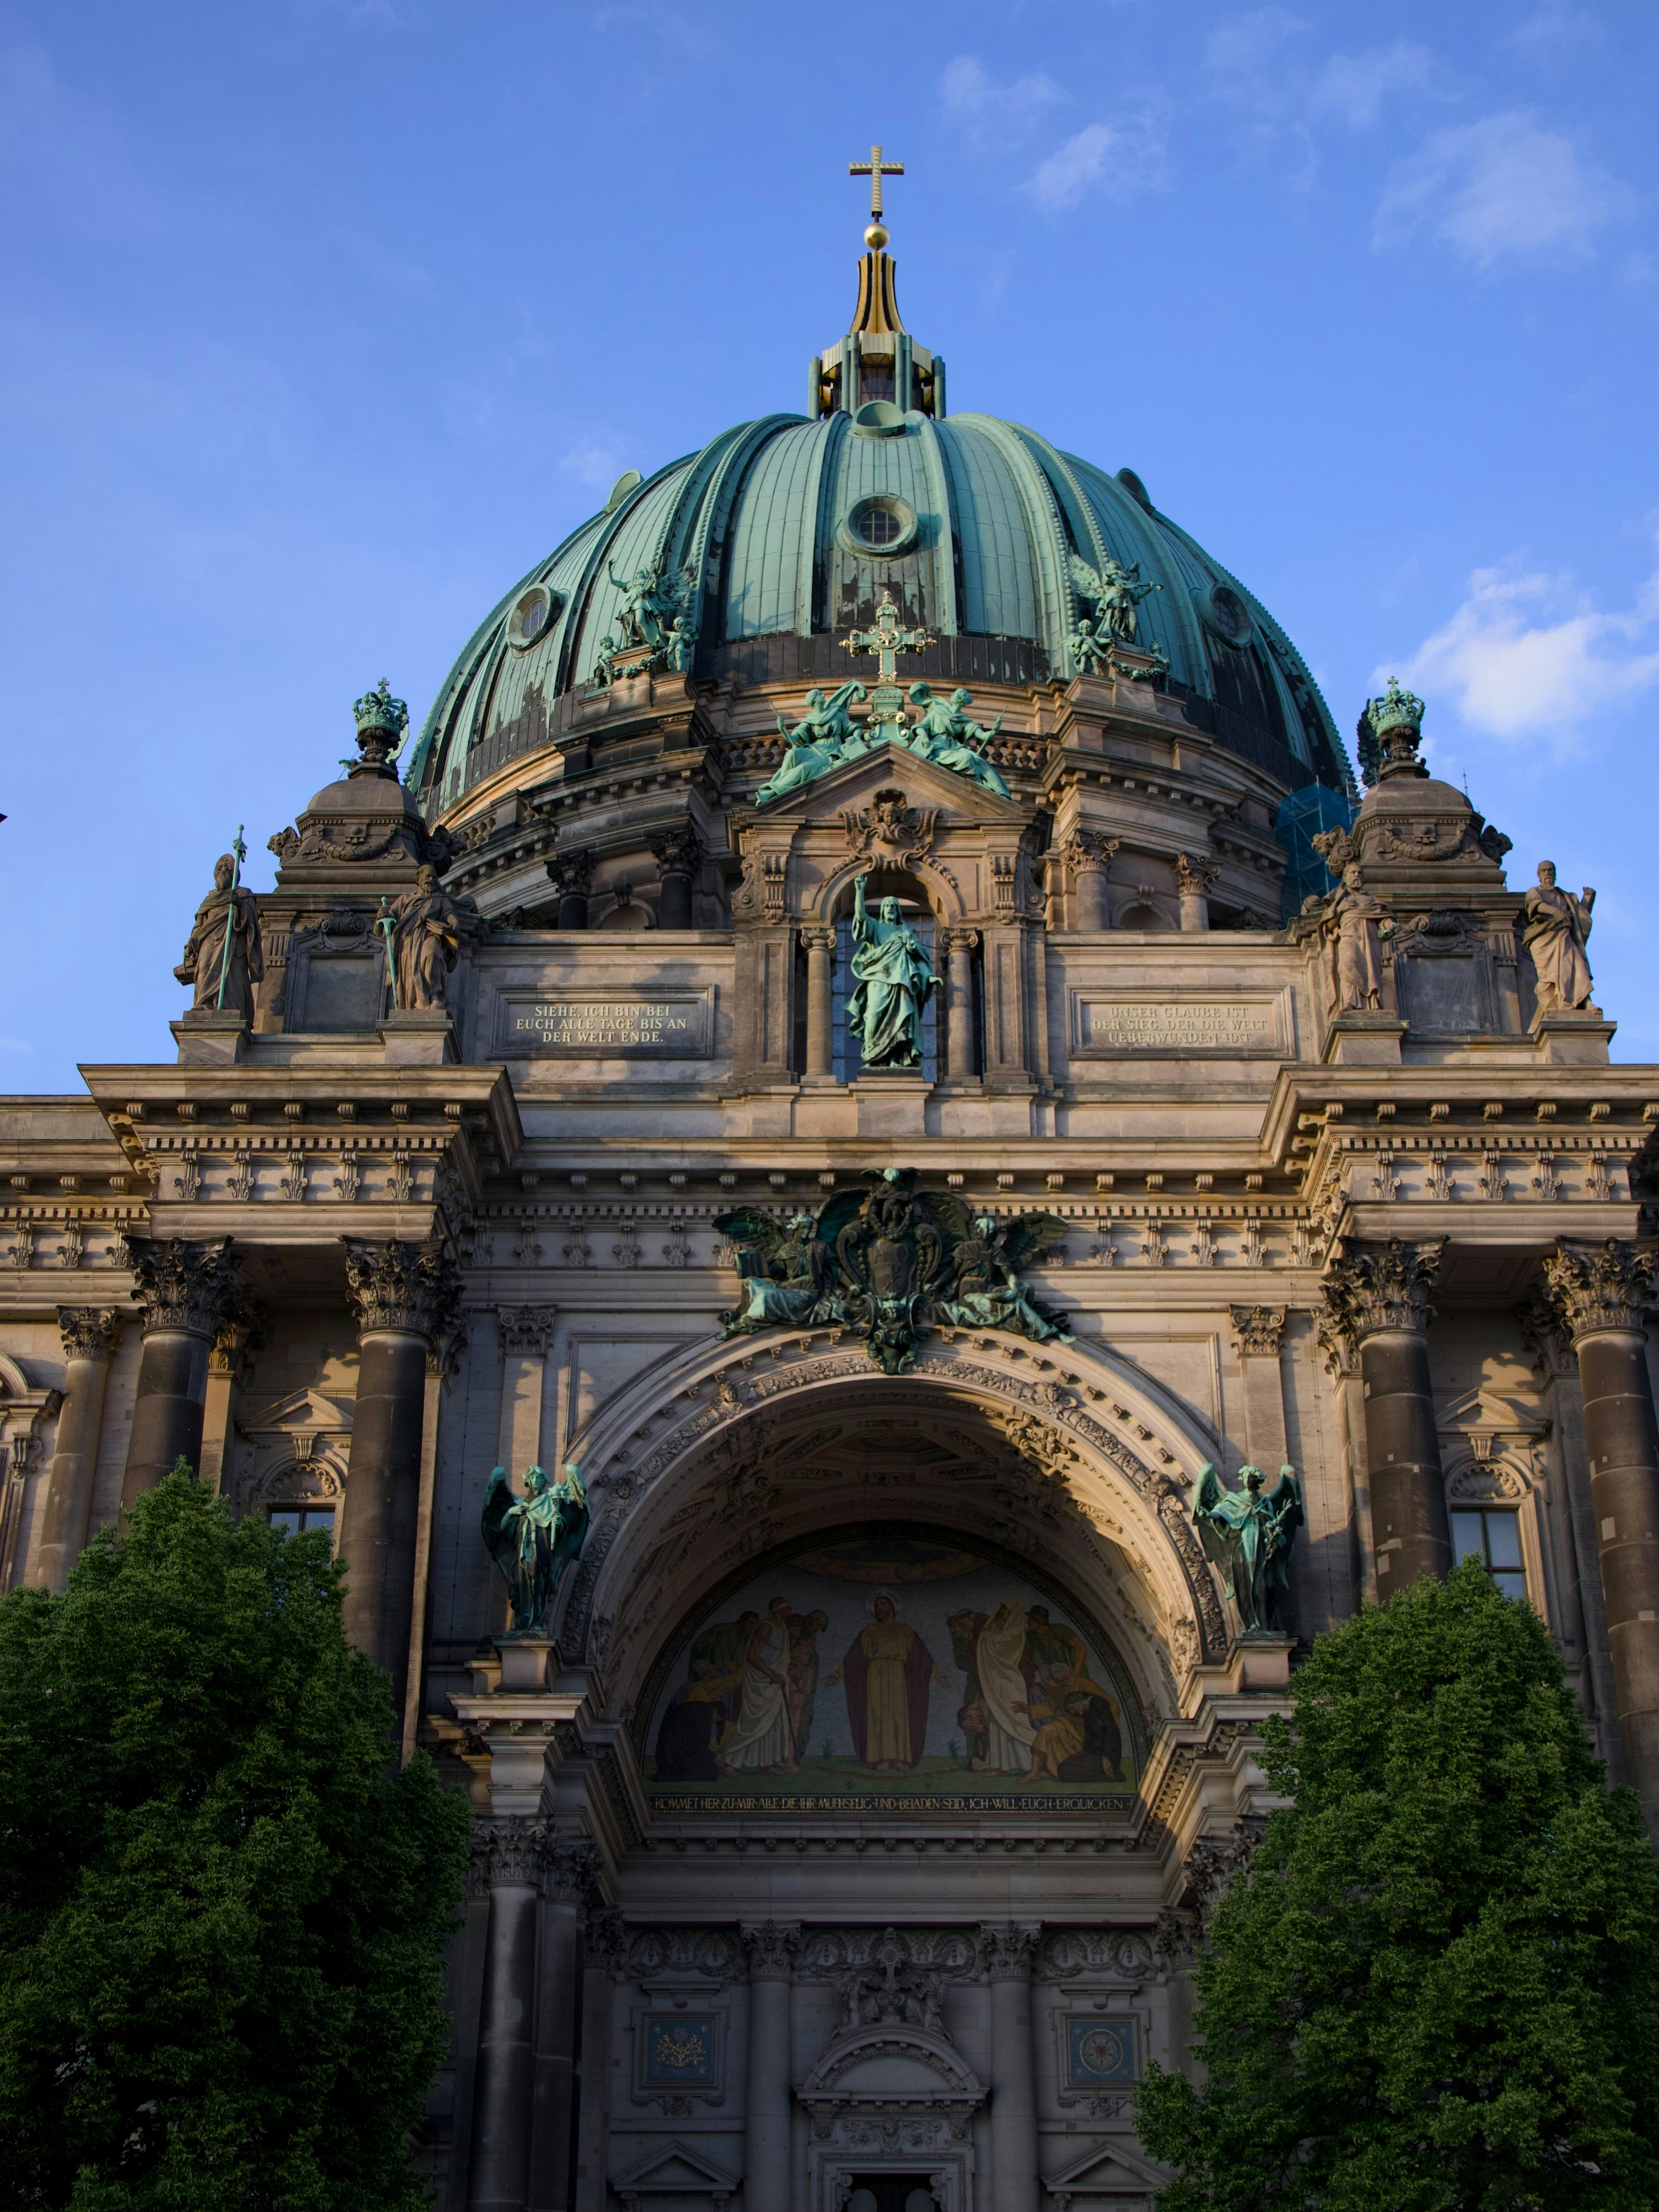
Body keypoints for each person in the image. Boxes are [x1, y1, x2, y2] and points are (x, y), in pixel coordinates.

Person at [824, 1593, 949, 1770]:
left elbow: (921, 1655)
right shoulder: (870, 1630)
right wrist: (838, 1674)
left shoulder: (905, 1630)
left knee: (899, 1714)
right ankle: (880, 1758)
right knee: (877, 1715)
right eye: (876, 1605)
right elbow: (854, 1657)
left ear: (891, 1607)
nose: (879, 1608)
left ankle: (900, 1758)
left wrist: (937, 1674)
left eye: (883, 1604)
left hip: (898, 1673)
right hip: (875, 1674)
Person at [847, 874, 939, 1069]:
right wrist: (860, 891)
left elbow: (920, 960)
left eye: (893, 906)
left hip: (902, 983)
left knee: (902, 1019)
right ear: (882, 911)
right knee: (872, 1015)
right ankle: (872, 1057)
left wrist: (929, 977)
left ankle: (898, 1059)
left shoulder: (906, 933)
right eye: (887, 906)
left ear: (898, 911)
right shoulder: (876, 927)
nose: (890, 909)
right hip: (878, 980)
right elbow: (861, 919)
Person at [176, 854, 264, 1023]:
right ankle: (205, 1006)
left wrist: (239, 904)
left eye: (227, 869)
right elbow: (199, 927)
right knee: (205, 973)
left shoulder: (244, 895)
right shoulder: (209, 900)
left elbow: (252, 923)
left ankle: (227, 1008)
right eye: (220, 870)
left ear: (233, 875)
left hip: (232, 944)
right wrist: (191, 946)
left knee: (232, 979)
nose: (223, 871)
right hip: (209, 944)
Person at [715, 1596, 794, 1773]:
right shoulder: (767, 1628)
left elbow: (778, 1657)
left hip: (775, 1682)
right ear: (776, 1609)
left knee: (773, 1721)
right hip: (760, 1681)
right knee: (753, 1722)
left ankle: (766, 1764)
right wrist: (772, 1674)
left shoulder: (784, 1630)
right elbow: (752, 1656)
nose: (790, 1608)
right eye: (785, 1606)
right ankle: (731, 1762)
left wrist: (787, 1669)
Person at [1523, 860, 1596, 1012]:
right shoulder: (1535, 892)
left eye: (1550, 871)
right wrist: (1555, 912)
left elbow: (1579, 917)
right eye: (1544, 871)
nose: (1548, 873)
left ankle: (1585, 1001)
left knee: (1578, 966)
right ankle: (1560, 1002)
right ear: (1539, 875)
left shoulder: (1566, 897)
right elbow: (1536, 905)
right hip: (1544, 940)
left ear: (1555, 874)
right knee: (1550, 976)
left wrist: (1588, 899)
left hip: (1565, 936)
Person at [386, 864, 461, 1012]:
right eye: (428, 876)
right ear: (419, 878)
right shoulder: (405, 900)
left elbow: (449, 914)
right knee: (411, 969)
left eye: (434, 877)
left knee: (432, 954)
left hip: (430, 934)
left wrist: (454, 922)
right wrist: (383, 916)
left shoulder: (440, 900)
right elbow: (390, 919)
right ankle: (416, 1002)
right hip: (408, 940)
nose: (431, 880)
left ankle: (434, 996)